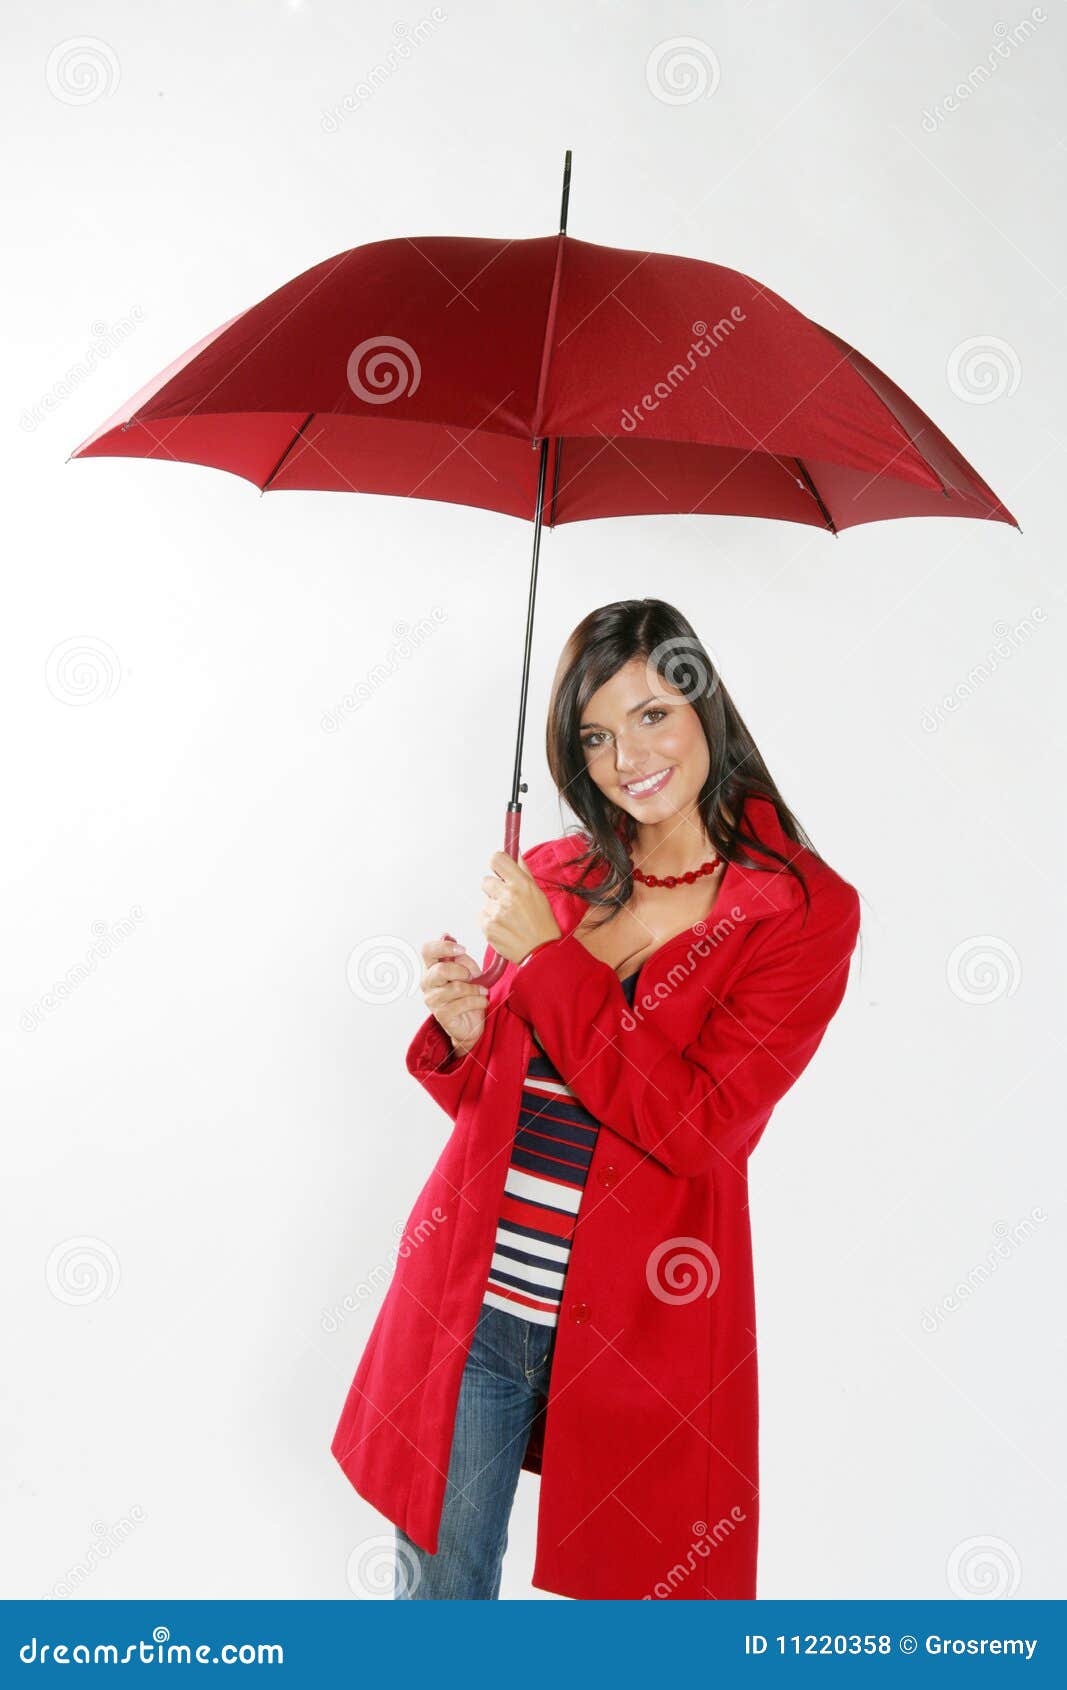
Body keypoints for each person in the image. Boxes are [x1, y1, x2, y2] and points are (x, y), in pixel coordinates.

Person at [331, 597, 863, 1601]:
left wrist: (550, 963)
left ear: (706, 707)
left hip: (641, 1327)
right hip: (477, 1301)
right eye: (595, 735)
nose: (628, 757)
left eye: (653, 714)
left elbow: (695, 1127)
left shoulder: (796, 911)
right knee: (439, 1615)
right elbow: (507, 1106)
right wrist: (466, 1031)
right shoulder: (554, 877)